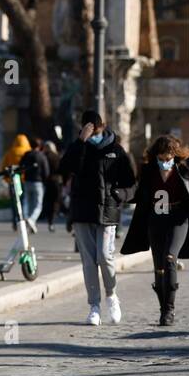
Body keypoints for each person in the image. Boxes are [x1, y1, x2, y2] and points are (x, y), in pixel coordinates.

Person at [121, 133, 189, 327]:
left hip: (178, 221)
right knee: (159, 268)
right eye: (161, 158)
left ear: (175, 156)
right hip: (155, 222)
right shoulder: (148, 172)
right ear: (156, 156)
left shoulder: (186, 173)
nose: (164, 162)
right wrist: (121, 195)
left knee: (170, 258)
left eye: (168, 159)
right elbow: (137, 193)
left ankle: (169, 310)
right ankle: (163, 308)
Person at [61, 111, 137, 326]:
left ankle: (112, 296)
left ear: (104, 127)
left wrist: (120, 195)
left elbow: (132, 183)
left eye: (97, 129)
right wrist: (80, 141)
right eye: (90, 129)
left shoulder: (116, 150)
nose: (94, 133)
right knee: (88, 262)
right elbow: (64, 168)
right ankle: (94, 306)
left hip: (107, 211)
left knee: (104, 256)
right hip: (82, 211)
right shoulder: (79, 147)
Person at [20, 136, 50, 231]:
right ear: (39, 146)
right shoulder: (42, 156)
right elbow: (46, 171)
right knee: (38, 204)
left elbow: (21, 166)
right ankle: (32, 220)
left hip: (27, 181)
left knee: (27, 201)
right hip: (38, 182)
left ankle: (26, 217)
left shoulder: (26, 154)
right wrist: (45, 180)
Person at [41, 140, 64, 231]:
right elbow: (62, 169)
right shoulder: (57, 157)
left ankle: (48, 219)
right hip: (57, 181)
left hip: (47, 181)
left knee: (48, 201)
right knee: (55, 202)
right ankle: (52, 220)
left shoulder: (44, 157)